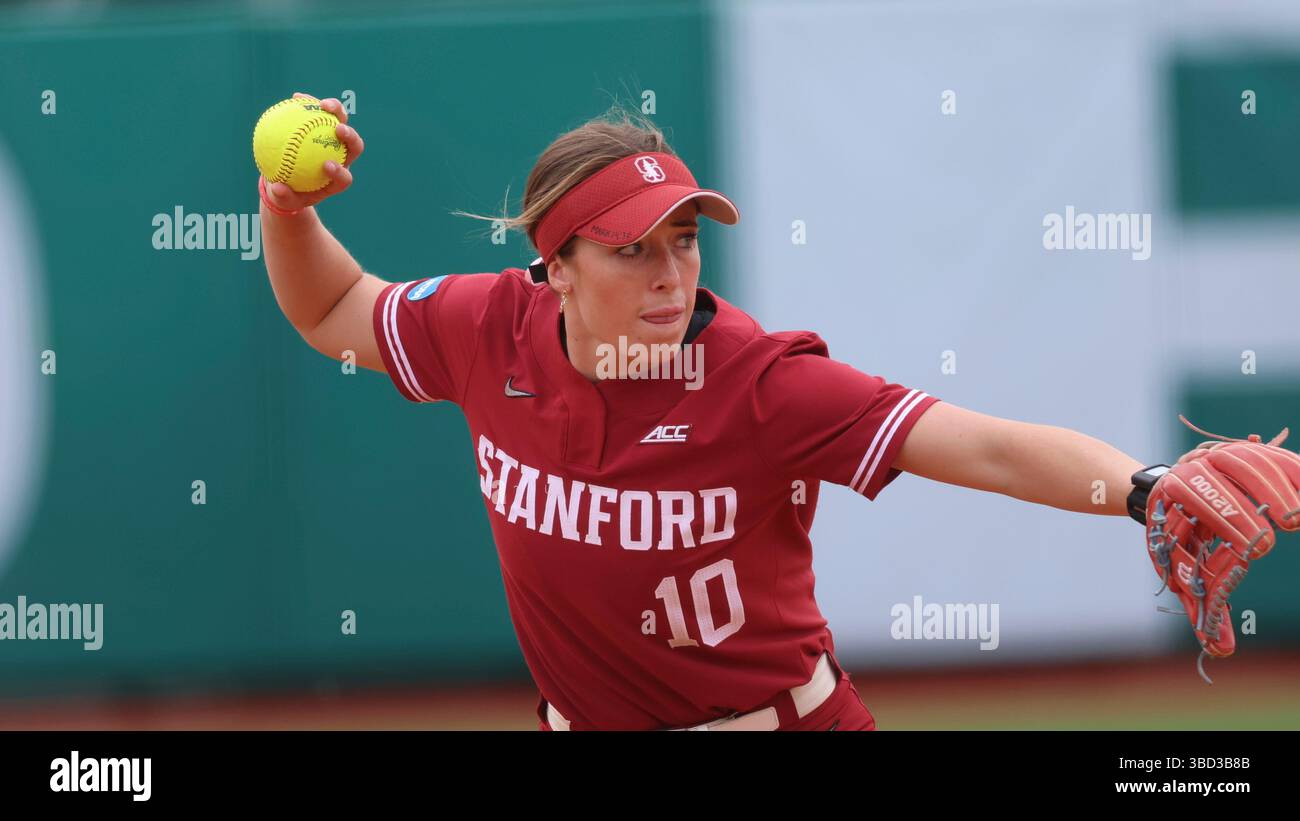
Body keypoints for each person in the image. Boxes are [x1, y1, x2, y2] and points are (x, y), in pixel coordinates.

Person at [260, 95, 1150, 731]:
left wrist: (1148, 488)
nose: (670, 274)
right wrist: (288, 210)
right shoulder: (488, 329)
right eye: (631, 250)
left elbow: (984, 448)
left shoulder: (760, 382)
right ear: (556, 267)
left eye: (684, 240)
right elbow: (330, 308)